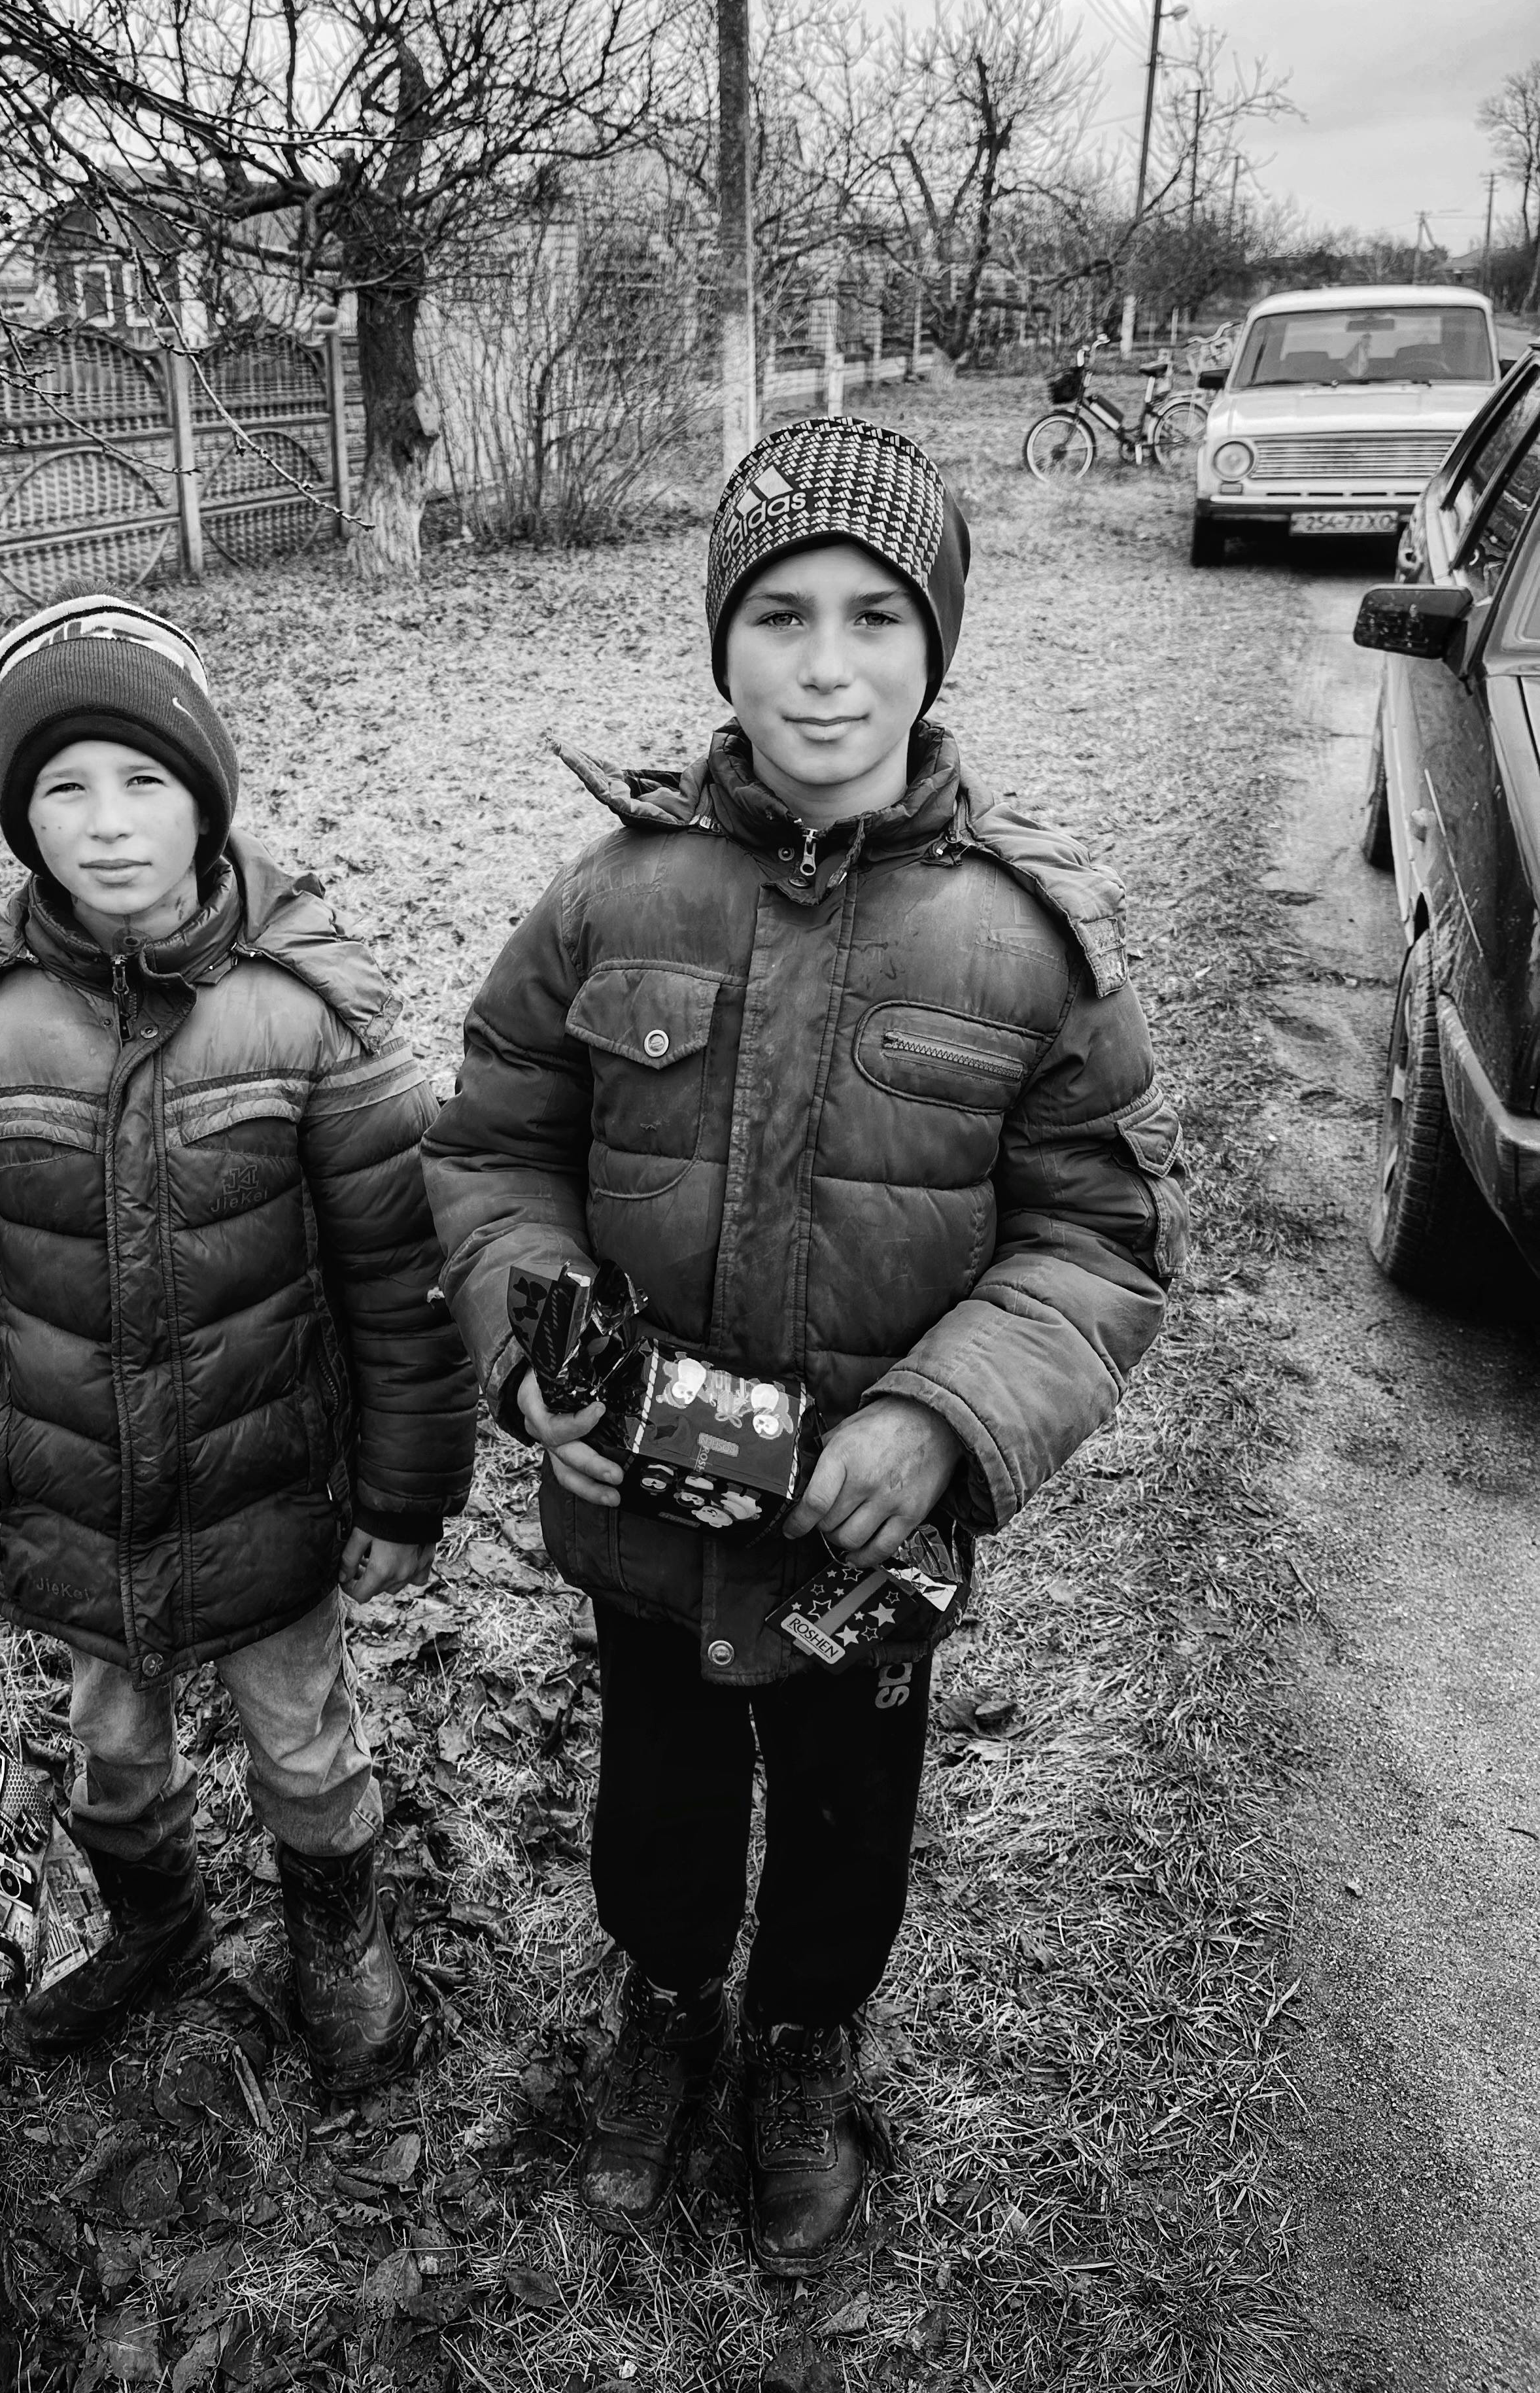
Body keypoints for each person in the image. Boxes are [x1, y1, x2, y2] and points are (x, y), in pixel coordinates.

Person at [420, 417, 1186, 2275]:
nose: (824, 667)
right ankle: (669, 2006)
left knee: (849, 1822)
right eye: (777, 616)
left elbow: (1095, 1240)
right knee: (660, 1801)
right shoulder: (612, 899)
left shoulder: (1026, 948)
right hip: (648, 1514)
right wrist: (536, 1363)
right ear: (720, 642)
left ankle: (798, 2044)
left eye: (871, 617)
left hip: (872, 1547)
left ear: (935, 650)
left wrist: (941, 1421)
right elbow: (493, 1153)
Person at [0, 594, 478, 2082]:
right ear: (20, 814)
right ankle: (154, 1920)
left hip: (269, 1491)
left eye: (146, 780)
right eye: (64, 787)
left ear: (208, 791)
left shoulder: (311, 1013)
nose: (109, 824)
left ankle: (339, 1930)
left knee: (304, 1740)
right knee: (111, 1755)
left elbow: (403, 1276)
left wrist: (405, 1488)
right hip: (68, 1507)